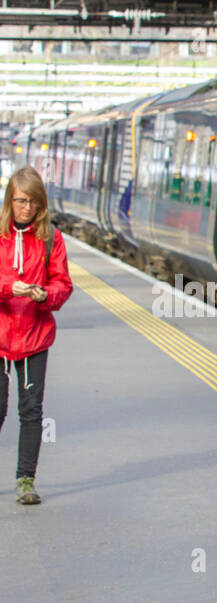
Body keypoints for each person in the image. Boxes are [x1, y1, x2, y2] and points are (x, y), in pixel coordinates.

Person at [0, 166, 72, 505]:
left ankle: (25, 480)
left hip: (34, 336)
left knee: (31, 411)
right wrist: (7, 288)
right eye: (19, 201)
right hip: (0, 337)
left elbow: (63, 283)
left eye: (32, 202)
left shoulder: (50, 239)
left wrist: (47, 295)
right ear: (9, 202)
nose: (25, 208)